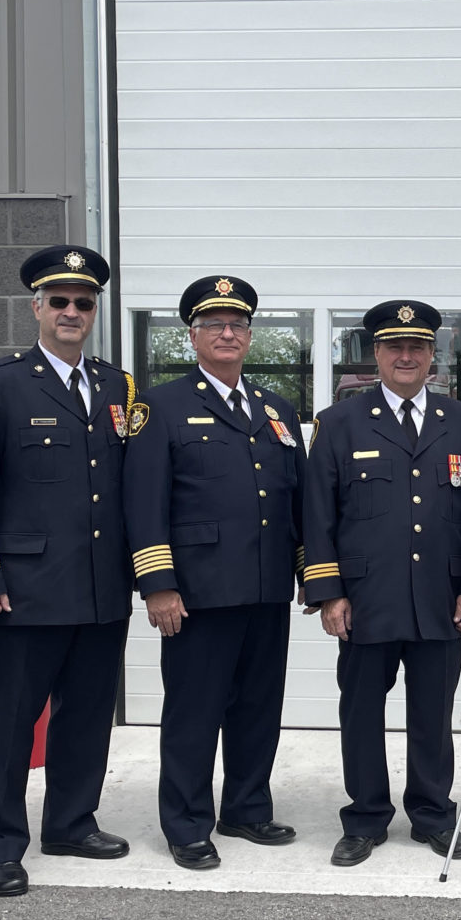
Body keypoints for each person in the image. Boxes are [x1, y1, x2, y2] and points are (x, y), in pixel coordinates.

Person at [0, 247, 136, 897]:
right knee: (11, 722)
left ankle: (71, 823)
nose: (71, 312)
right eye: (59, 301)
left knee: (85, 715)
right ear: (37, 307)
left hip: (101, 587)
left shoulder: (117, 386)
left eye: (83, 303)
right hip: (26, 589)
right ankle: (0, 844)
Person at [123, 276, 306, 869]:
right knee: (194, 712)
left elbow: (295, 501)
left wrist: (310, 577)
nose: (227, 334)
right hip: (196, 594)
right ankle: (186, 823)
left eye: (237, 325)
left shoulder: (276, 409)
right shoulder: (162, 405)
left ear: (250, 337)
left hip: (265, 587)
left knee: (258, 707)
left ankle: (247, 808)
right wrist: (158, 584)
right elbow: (143, 502)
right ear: (193, 337)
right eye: (214, 325)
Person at [302, 300, 461, 867]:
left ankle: (433, 814)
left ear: (433, 354)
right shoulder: (339, 423)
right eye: (394, 347)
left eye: (418, 347)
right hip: (364, 600)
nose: (406, 356)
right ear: (376, 354)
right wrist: (328, 593)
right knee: (361, 711)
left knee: (433, 711)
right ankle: (364, 818)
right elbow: (318, 515)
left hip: (438, 597)